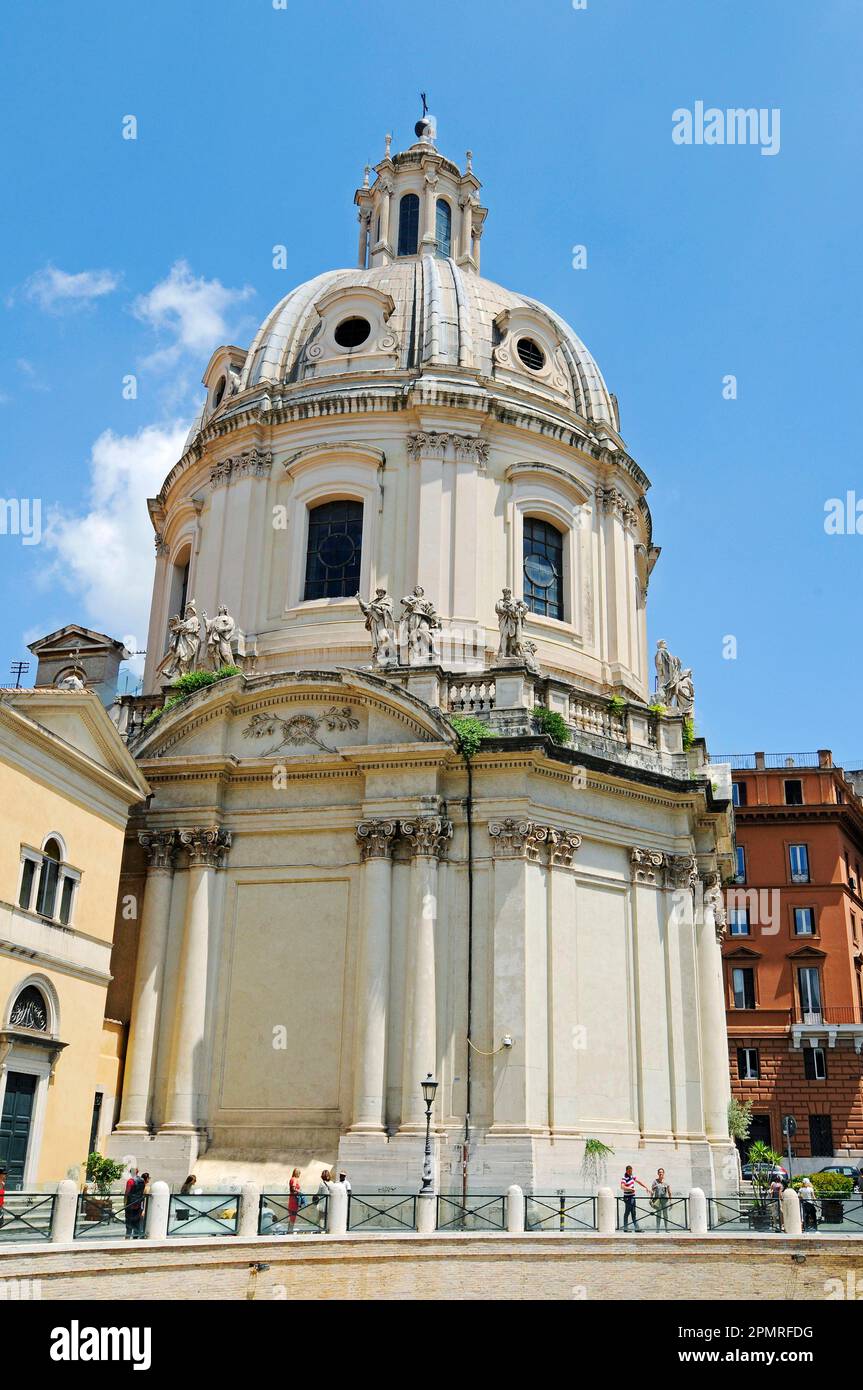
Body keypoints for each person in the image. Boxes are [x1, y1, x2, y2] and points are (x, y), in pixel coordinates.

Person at [620, 1166, 649, 1232]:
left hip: (632, 1197)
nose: (631, 1172)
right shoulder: (624, 1178)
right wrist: (631, 1189)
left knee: (633, 1213)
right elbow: (622, 1187)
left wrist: (646, 1187)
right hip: (627, 1198)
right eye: (629, 1171)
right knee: (627, 1213)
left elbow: (638, 1181)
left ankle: (637, 1228)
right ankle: (626, 1228)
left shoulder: (632, 1176)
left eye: (631, 1171)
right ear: (626, 1171)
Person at [125, 1171, 147, 1239]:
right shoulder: (142, 1181)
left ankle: (127, 1239)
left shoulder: (130, 1181)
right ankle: (135, 1239)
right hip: (138, 1205)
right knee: (136, 1224)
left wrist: (125, 1203)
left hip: (130, 1205)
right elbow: (142, 1193)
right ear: (137, 1172)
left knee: (129, 1224)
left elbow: (127, 1193)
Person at [651, 1168, 673, 1232]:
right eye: (659, 1172)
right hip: (657, 1200)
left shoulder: (666, 1182)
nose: (660, 1173)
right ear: (658, 1173)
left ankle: (666, 1229)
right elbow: (652, 1191)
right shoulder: (655, 1181)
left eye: (662, 1172)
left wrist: (671, 1201)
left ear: (663, 1173)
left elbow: (669, 1192)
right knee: (658, 1214)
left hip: (665, 1200)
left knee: (665, 1215)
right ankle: (658, 1229)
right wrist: (651, 1199)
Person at [287, 1166, 302, 1234]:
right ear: (297, 1173)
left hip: (292, 1198)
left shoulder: (291, 1179)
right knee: (293, 1216)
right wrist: (299, 1191)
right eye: (299, 1173)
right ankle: (290, 1231)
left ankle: (290, 1230)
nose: (299, 1174)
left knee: (292, 1216)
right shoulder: (295, 1179)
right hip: (294, 1199)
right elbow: (293, 1188)